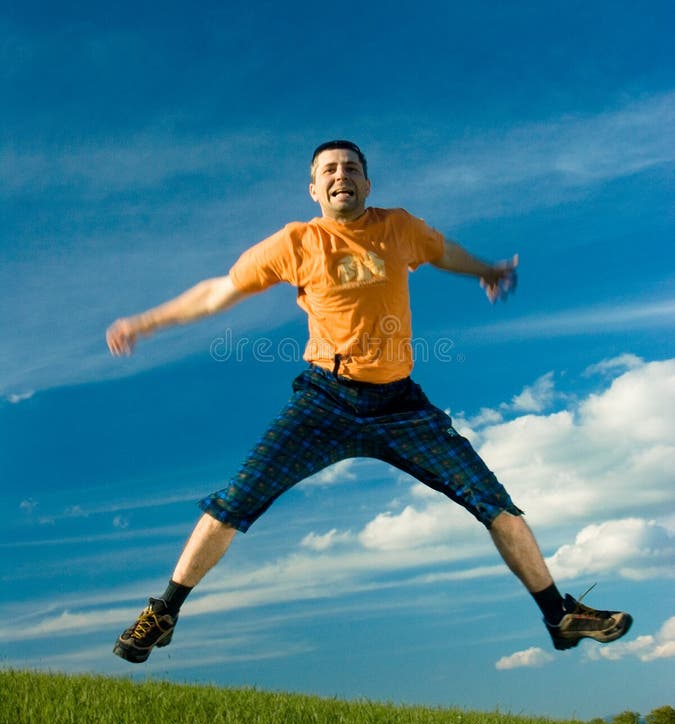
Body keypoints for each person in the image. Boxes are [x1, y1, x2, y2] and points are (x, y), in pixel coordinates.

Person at [107, 139, 632, 664]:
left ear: (367, 183)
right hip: (324, 401)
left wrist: (485, 271)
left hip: (401, 406)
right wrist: (146, 321)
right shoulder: (298, 241)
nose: (341, 176)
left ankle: (559, 618)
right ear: (313, 188)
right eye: (329, 170)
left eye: (351, 168)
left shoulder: (398, 227)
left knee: (495, 505)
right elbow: (218, 291)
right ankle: (165, 612)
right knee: (234, 502)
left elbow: (442, 250)